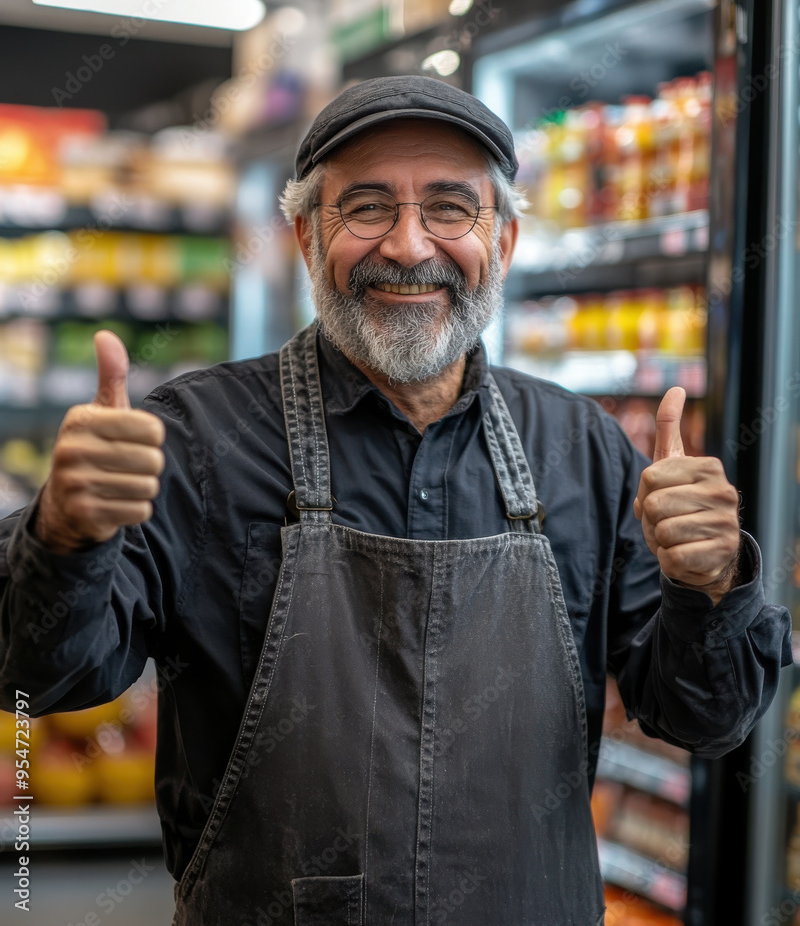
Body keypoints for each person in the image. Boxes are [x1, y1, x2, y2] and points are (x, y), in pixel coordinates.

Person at [0, 75, 790, 925]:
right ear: (306, 236)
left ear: (507, 240)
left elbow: (703, 719)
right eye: (367, 207)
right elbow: (36, 681)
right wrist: (65, 537)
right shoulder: (196, 441)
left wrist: (711, 590)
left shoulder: (583, 450)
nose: (410, 246)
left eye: (451, 208)